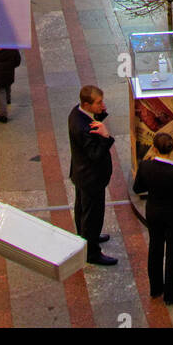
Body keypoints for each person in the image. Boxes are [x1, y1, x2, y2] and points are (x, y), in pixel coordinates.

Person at [132, 131, 173, 304]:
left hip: (154, 212)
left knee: (155, 249)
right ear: (172, 149)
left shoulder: (145, 166)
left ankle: (155, 288)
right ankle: (171, 294)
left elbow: (137, 188)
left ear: (154, 148)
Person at [68, 85, 117, 265]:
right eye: (98, 103)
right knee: (93, 215)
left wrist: (101, 115)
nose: (102, 105)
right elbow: (95, 154)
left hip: (82, 174)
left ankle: (86, 237)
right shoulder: (83, 128)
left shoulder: (77, 113)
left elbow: (92, 123)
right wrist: (106, 137)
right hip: (91, 178)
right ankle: (92, 252)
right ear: (87, 104)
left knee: (82, 208)